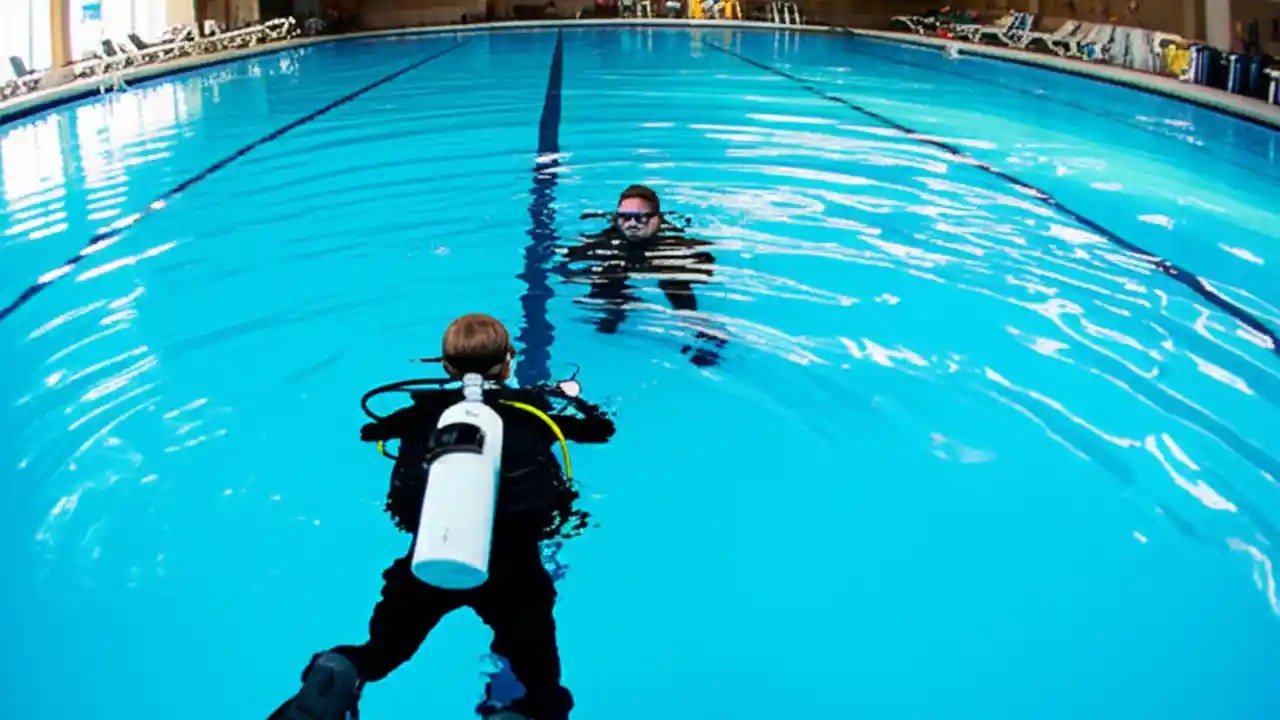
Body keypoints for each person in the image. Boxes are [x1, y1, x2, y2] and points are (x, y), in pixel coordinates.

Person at [269, 313, 615, 720]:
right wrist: (570, 396)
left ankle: (334, 676)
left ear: (447, 366)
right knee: (543, 688)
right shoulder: (531, 411)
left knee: (377, 655)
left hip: (429, 560)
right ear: (509, 360)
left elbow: (370, 431)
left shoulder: (420, 412)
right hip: (515, 572)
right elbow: (601, 430)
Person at [558, 184, 727, 367]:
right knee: (609, 282)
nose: (631, 223)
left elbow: (706, 263)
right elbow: (567, 262)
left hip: (660, 256)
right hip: (621, 260)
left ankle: (701, 332)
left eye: (640, 218)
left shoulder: (673, 243)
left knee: (673, 282)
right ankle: (613, 317)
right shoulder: (608, 239)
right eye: (625, 217)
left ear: (657, 219)